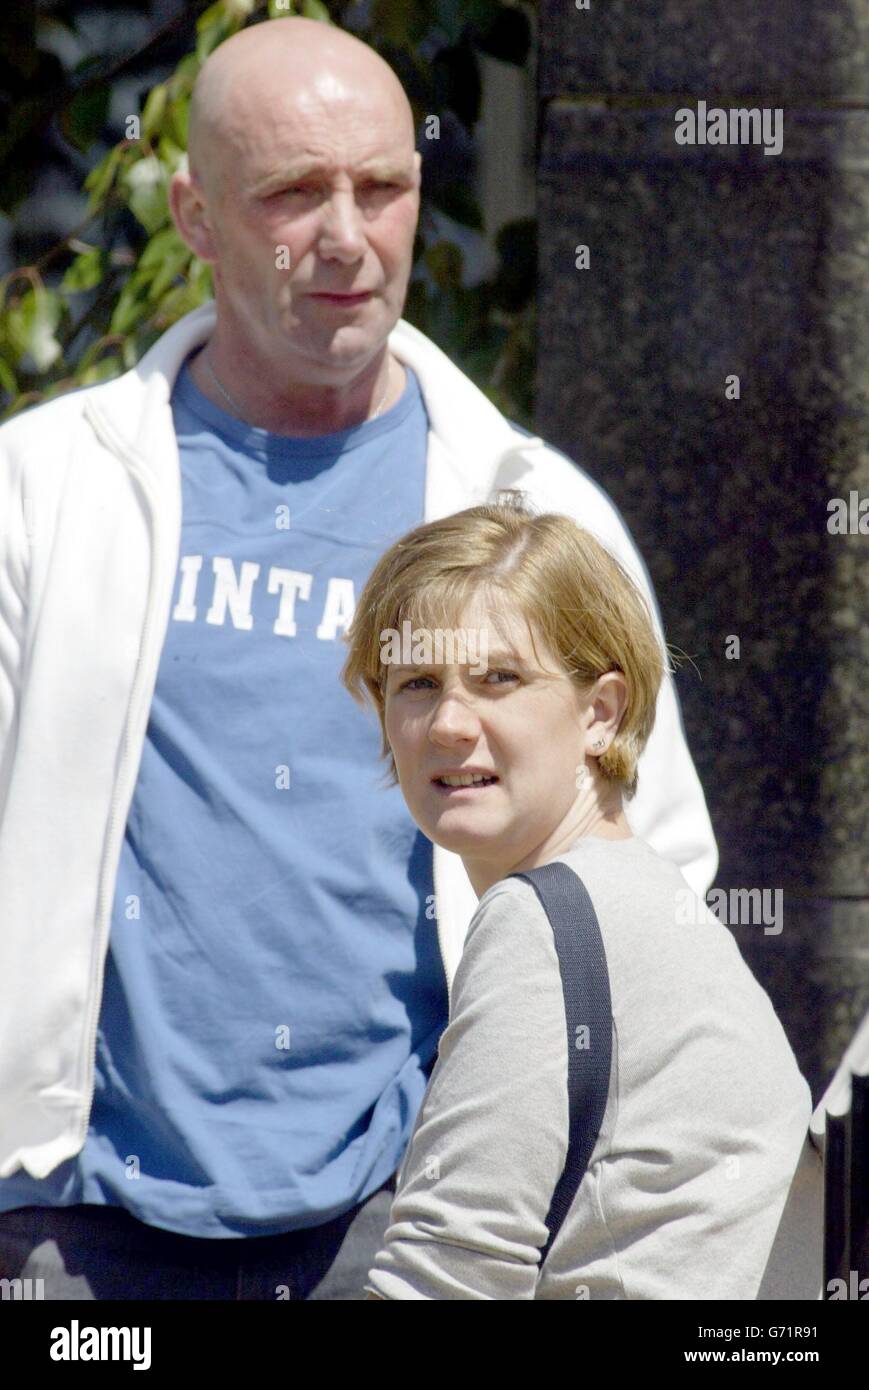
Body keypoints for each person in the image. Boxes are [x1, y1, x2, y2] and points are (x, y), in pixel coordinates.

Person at [0, 17, 716, 1299]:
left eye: (381, 187)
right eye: (290, 191)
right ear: (193, 215)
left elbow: (653, 869)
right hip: (73, 1220)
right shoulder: (43, 496)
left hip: (407, 1220)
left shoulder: (524, 508)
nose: (347, 233)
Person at [340, 494, 823, 1300]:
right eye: (416, 682)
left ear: (600, 713)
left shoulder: (547, 923)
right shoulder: (638, 901)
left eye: (499, 679)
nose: (449, 723)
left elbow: (442, 1278)